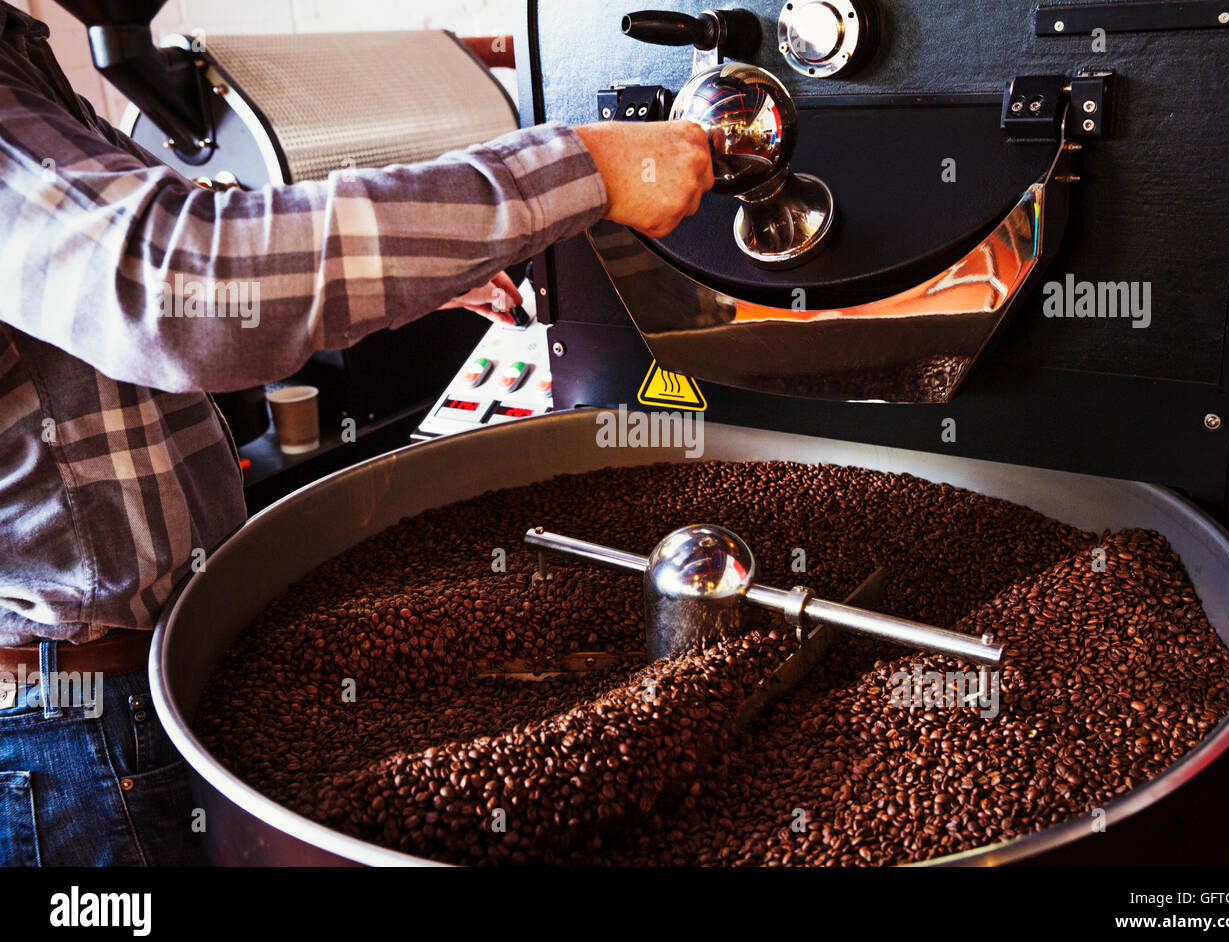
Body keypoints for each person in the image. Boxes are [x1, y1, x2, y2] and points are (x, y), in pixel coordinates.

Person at [0, 0, 713, 866]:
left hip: (141, 677)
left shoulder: (23, 58)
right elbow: (186, 278)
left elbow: (181, 229)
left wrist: (421, 270)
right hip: (67, 721)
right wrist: (580, 164)